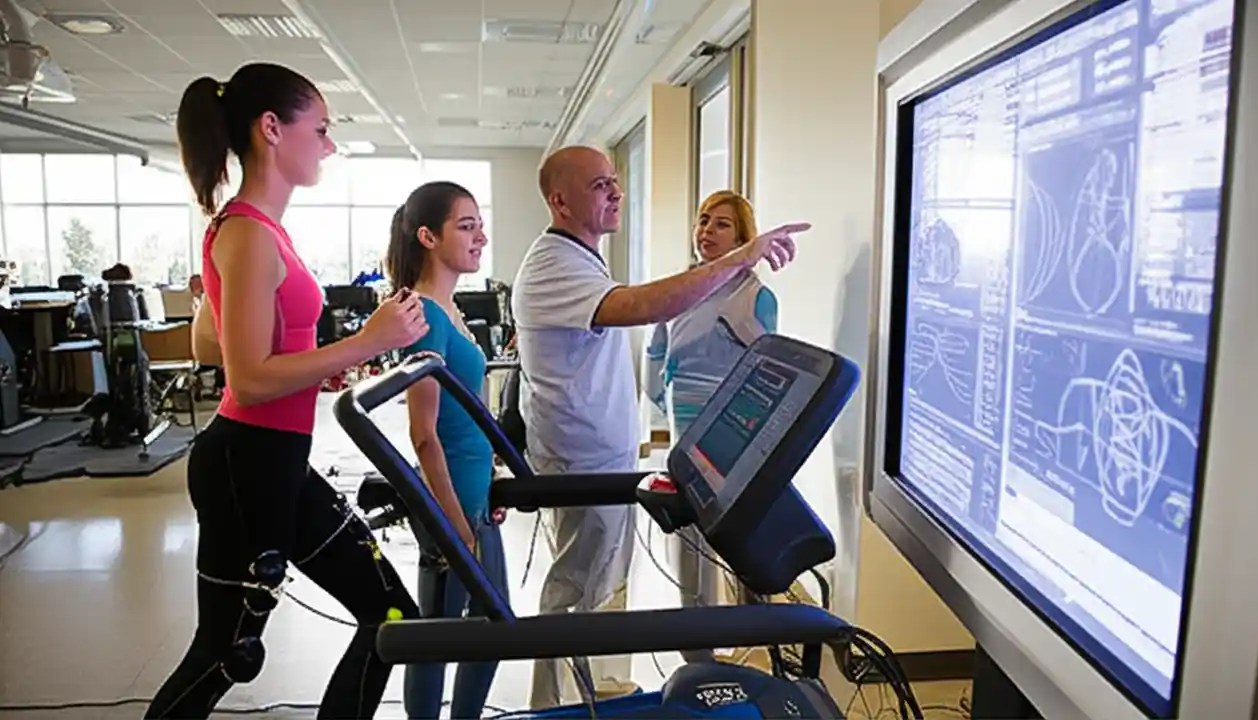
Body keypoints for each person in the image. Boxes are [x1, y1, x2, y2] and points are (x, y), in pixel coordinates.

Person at [145, 62, 429, 720]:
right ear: (272, 129)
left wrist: (315, 360)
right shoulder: (244, 232)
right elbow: (243, 376)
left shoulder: (262, 231)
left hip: (279, 460)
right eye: (321, 129)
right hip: (245, 465)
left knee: (392, 615)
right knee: (224, 655)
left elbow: (232, 345)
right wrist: (366, 342)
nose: (329, 145)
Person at [513, 145, 807, 708]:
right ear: (560, 200)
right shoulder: (555, 262)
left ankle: (593, 686)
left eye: (614, 182)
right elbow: (646, 310)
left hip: (621, 451)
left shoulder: (583, 256)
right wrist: (740, 255)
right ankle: (554, 706)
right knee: (576, 588)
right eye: (601, 185)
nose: (616, 192)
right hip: (584, 457)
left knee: (601, 582)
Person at [387, 181, 510, 719]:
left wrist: (492, 474)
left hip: (473, 493)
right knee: (438, 639)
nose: (479, 236)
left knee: (486, 631)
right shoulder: (426, 317)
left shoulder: (448, 309)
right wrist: (455, 523)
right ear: (427, 237)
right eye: (466, 226)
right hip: (451, 502)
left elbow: (468, 414)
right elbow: (423, 433)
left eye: (479, 224)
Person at [645, 190, 776, 660]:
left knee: (740, 539)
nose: (707, 231)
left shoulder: (755, 295)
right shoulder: (682, 286)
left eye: (722, 224)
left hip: (735, 437)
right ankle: (696, 650)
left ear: (744, 239)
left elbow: (768, 371)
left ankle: (756, 639)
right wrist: (663, 397)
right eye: (704, 220)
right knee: (691, 544)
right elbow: (656, 350)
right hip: (687, 435)